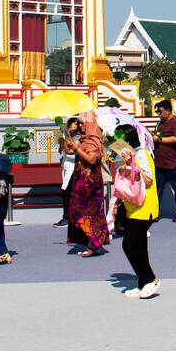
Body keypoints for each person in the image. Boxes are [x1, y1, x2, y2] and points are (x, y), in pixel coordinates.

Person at [114, 126, 160, 298]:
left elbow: (148, 181)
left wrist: (132, 165)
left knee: (130, 244)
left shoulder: (141, 154)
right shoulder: (129, 157)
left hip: (145, 206)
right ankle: (143, 283)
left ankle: (151, 278)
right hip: (132, 205)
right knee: (139, 245)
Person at [68, 108, 110, 256]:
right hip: (81, 181)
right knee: (79, 211)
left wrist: (77, 149)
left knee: (84, 212)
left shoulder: (94, 141)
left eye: (82, 122)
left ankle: (95, 243)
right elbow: (69, 151)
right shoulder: (83, 139)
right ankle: (92, 243)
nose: (80, 125)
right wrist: (66, 137)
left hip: (90, 183)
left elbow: (91, 160)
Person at [153, 99, 176, 221]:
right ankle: (154, 212)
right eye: (157, 111)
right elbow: (157, 136)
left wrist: (160, 140)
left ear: (168, 110)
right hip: (159, 164)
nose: (159, 114)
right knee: (156, 189)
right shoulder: (160, 123)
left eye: (160, 111)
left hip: (174, 164)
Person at [54, 116, 80, 227]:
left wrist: (64, 140)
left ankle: (68, 218)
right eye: (73, 123)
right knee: (66, 192)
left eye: (77, 124)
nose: (76, 125)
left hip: (74, 167)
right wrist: (61, 140)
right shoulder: (67, 136)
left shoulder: (79, 137)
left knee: (68, 192)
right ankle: (67, 216)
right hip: (66, 166)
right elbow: (62, 150)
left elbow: (69, 151)